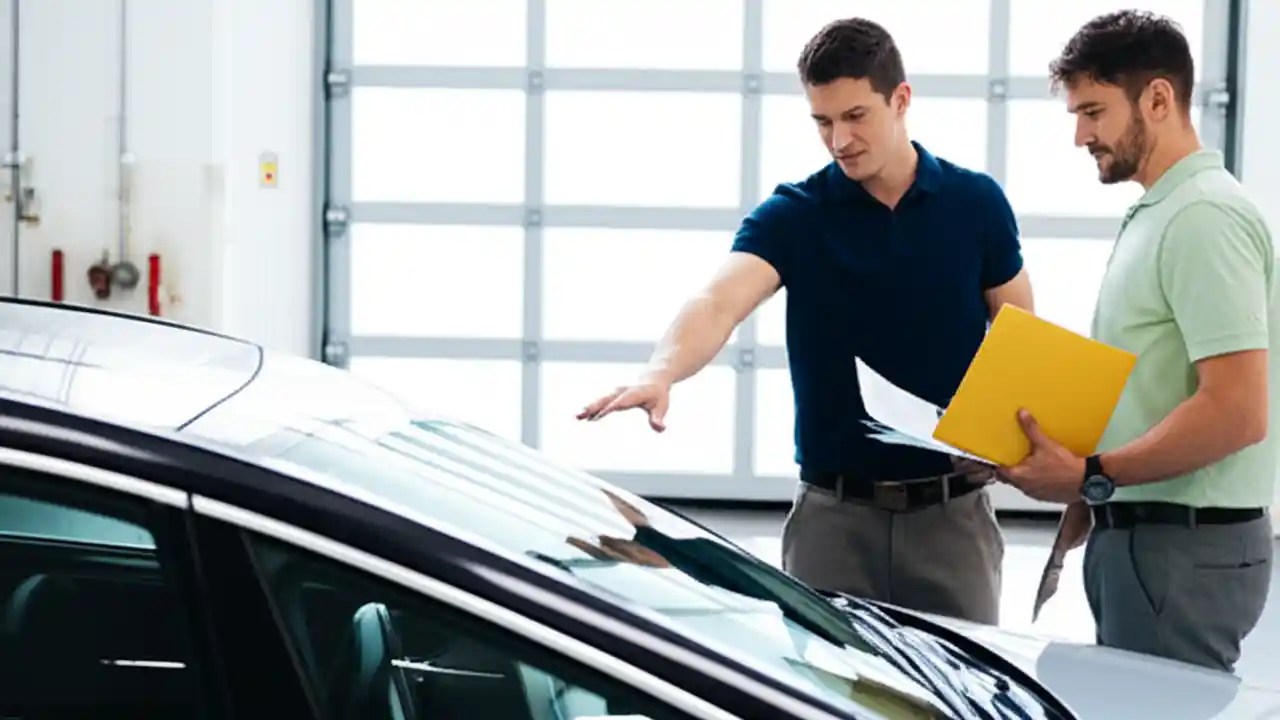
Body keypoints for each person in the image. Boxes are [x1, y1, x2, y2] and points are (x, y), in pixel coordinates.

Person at [577, 17, 1033, 625]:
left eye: (855, 116)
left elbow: (1020, 332)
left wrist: (1008, 435)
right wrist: (663, 372)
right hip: (833, 521)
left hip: (953, 516)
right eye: (823, 122)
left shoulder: (975, 203)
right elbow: (718, 300)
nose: (839, 139)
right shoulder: (796, 214)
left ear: (901, 100)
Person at [999, 10, 1277, 673]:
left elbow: (1237, 409)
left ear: (1157, 98)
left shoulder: (1203, 217)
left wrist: (1094, 474)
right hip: (1149, 540)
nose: (1079, 135)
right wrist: (1087, 483)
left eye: (1093, 111)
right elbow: (1159, 385)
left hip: (1180, 552)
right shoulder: (1161, 212)